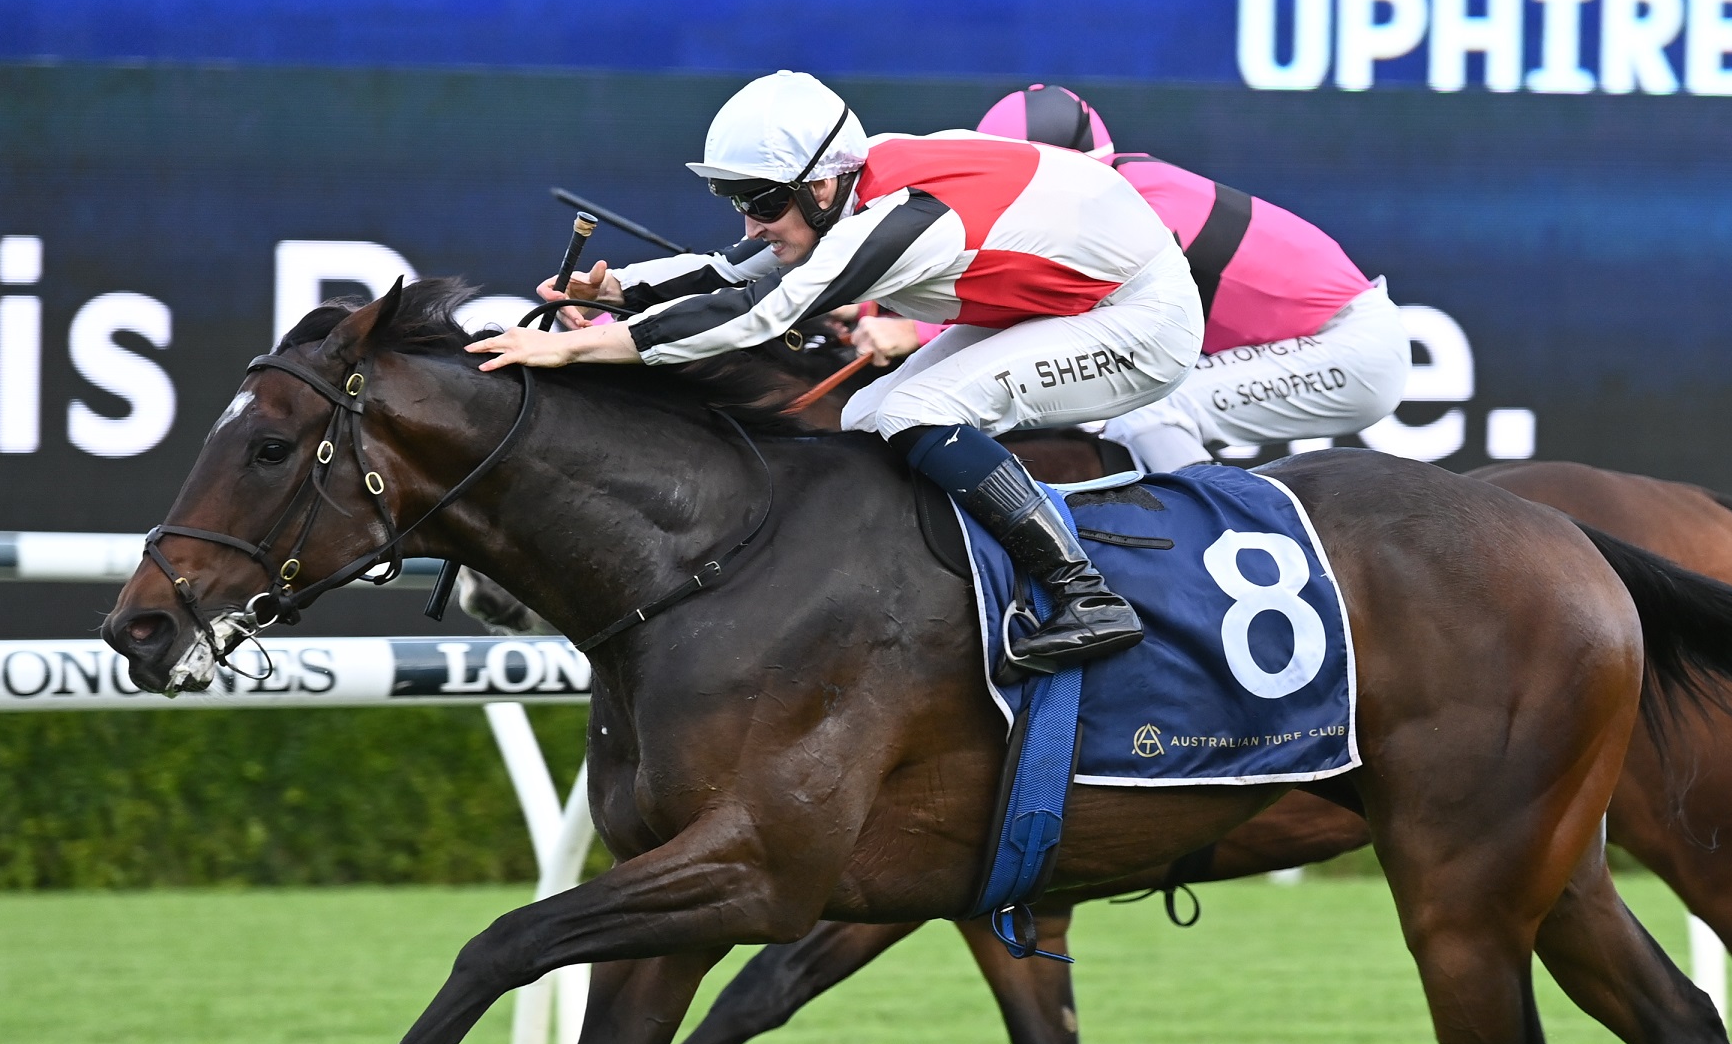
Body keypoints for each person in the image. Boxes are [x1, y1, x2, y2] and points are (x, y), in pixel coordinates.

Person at [469, 70, 1203, 676]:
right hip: (1059, 295)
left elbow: (756, 313)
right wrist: (622, 289)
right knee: (865, 416)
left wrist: (572, 349)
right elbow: (736, 265)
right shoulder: (852, 175)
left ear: (822, 189)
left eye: (761, 201)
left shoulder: (904, 220)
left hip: (1141, 317)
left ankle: (1088, 595)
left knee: (919, 409)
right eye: (736, 200)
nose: (750, 220)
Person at [947, 84, 1404, 473]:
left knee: (1150, 412)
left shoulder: (1140, 206)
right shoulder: (1118, 186)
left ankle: (1227, 553)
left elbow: (1044, 304)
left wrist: (913, 327)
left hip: (1352, 347)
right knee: (1133, 419)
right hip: (1338, 339)